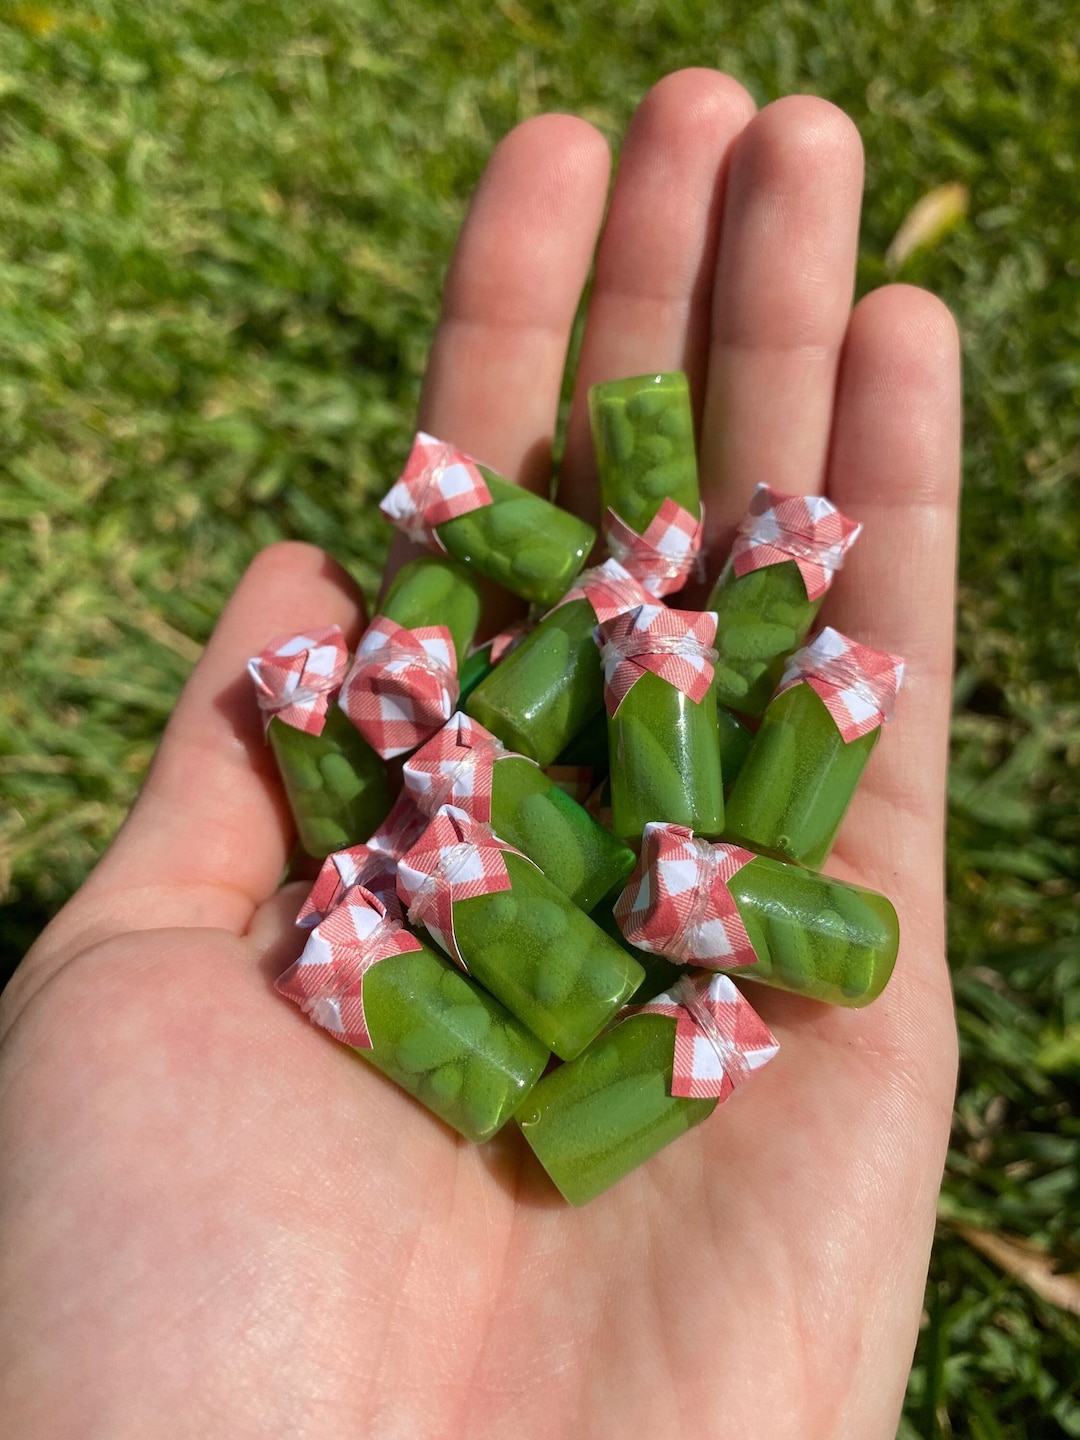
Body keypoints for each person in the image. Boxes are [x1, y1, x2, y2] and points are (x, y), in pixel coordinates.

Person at [0, 69, 960, 1438]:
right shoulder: (544, 766)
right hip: (566, 927)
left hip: (610, 904)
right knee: (636, 864)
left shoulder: (668, 800)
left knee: (659, 866)